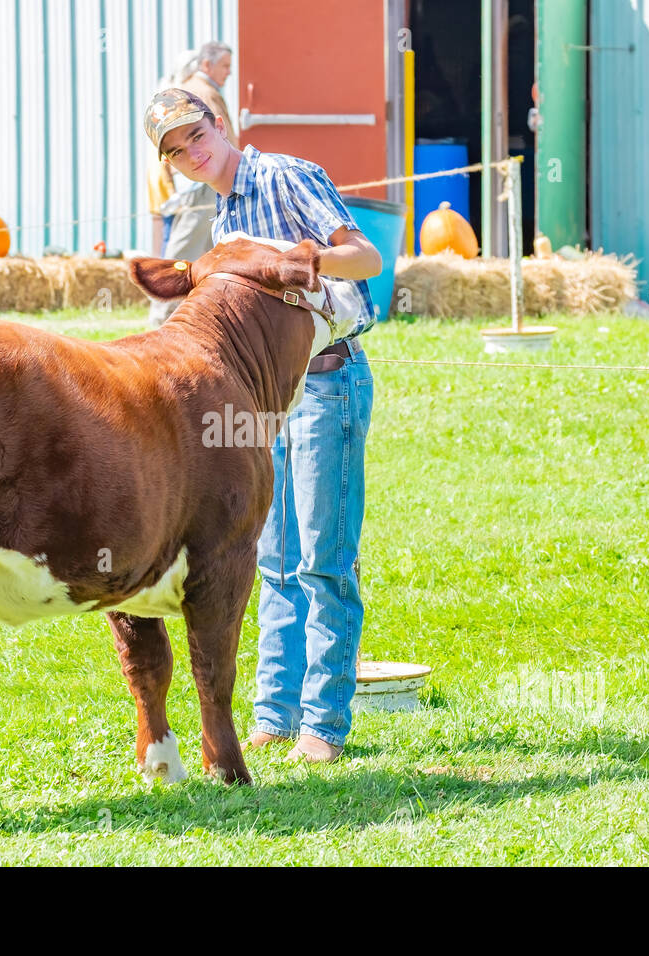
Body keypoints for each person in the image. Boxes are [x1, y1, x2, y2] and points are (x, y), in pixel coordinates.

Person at [143, 88, 382, 763]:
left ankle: (324, 727)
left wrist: (298, 262)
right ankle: (274, 715)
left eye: (196, 134)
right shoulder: (219, 218)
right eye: (177, 149)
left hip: (328, 379)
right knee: (270, 559)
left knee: (323, 559)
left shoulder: (284, 175)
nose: (194, 151)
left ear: (219, 124)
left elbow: (366, 258)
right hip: (262, 400)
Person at [147, 42, 238, 327]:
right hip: (204, 185)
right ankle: (161, 323)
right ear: (206, 65)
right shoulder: (203, 91)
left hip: (210, 182)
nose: (229, 72)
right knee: (182, 253)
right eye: (224, 65)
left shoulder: (203, 90)